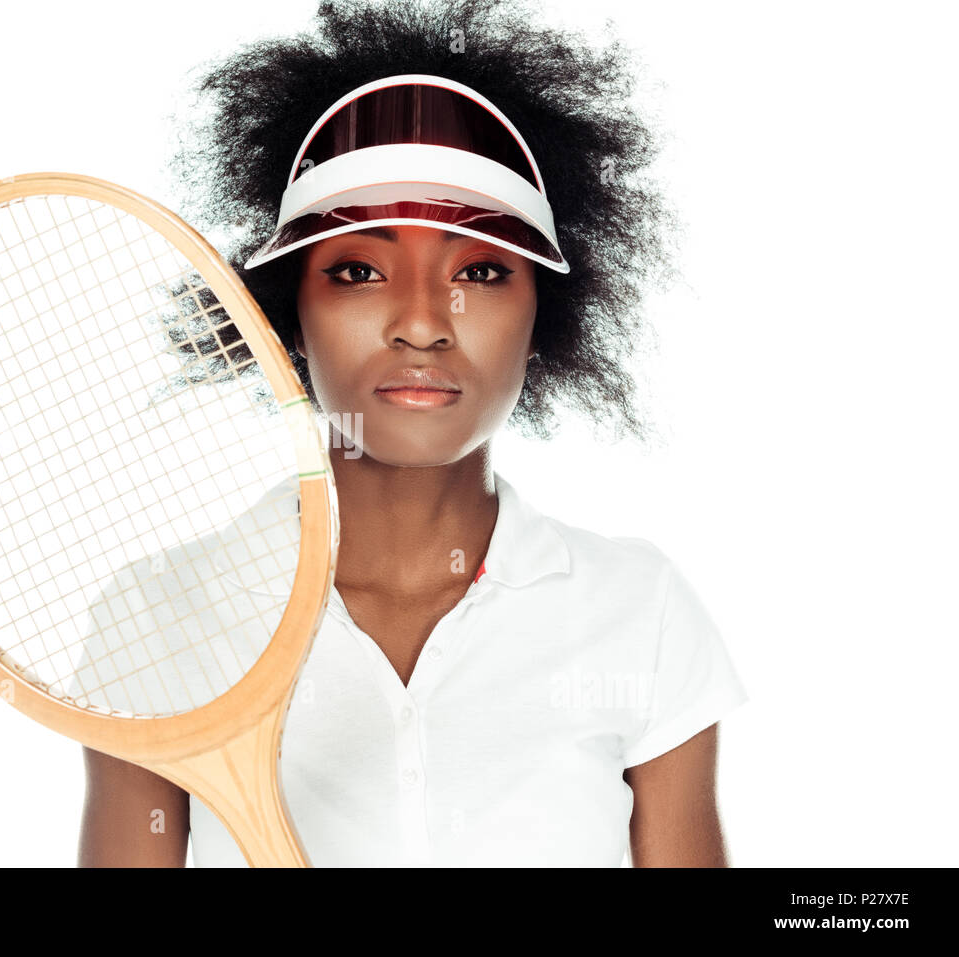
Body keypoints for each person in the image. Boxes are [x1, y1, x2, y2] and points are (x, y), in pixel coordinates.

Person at [78, 0, 748, 867]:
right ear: (288, 312)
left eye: (480, 269)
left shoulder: (640, 612)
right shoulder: (162, 616)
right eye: (358, 269)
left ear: (545, 317)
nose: (424, 324)